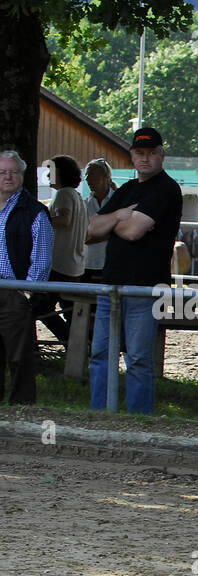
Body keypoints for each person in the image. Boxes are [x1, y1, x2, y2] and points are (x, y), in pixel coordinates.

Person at [85, 127, 183, 415]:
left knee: (138, 358)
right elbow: (91, 230)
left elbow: (132, 232)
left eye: (152, 153)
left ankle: (138, 417)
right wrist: (119, 215)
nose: (145, 159)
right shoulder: (128, 190)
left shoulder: (166, 188)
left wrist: (113, 221)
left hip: (145, 287)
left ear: (161, 155)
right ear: (131, 155)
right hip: (111, 285)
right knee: (101, 353)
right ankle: (99, 412)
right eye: (140, 153)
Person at [0, 149, 53, 404]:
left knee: (18, 354)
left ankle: (22, 406)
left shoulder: (34, 212)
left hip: (14, 291)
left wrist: (26, 293)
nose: (7, 177)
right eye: (2, 172)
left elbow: (42, 260)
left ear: (22, 175)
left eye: (13, 172)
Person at [33, 155, 87, 343]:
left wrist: (38, 221)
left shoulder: (64, 194)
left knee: (40, 307)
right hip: (74, 265)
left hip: (59, 264)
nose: (47, 176)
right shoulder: (78, 196)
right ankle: (76, 348)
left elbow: (64, 219)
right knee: (71, 312)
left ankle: (68, 340)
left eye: (51, 172)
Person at [82, 159, 116, 283]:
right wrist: (110, 233)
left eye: (92, 175)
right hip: (88, 264)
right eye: (87, 175)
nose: (87, 179)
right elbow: (82, 236)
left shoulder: (119, 200)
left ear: (105, 176)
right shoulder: (84, 204)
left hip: (114, 264)